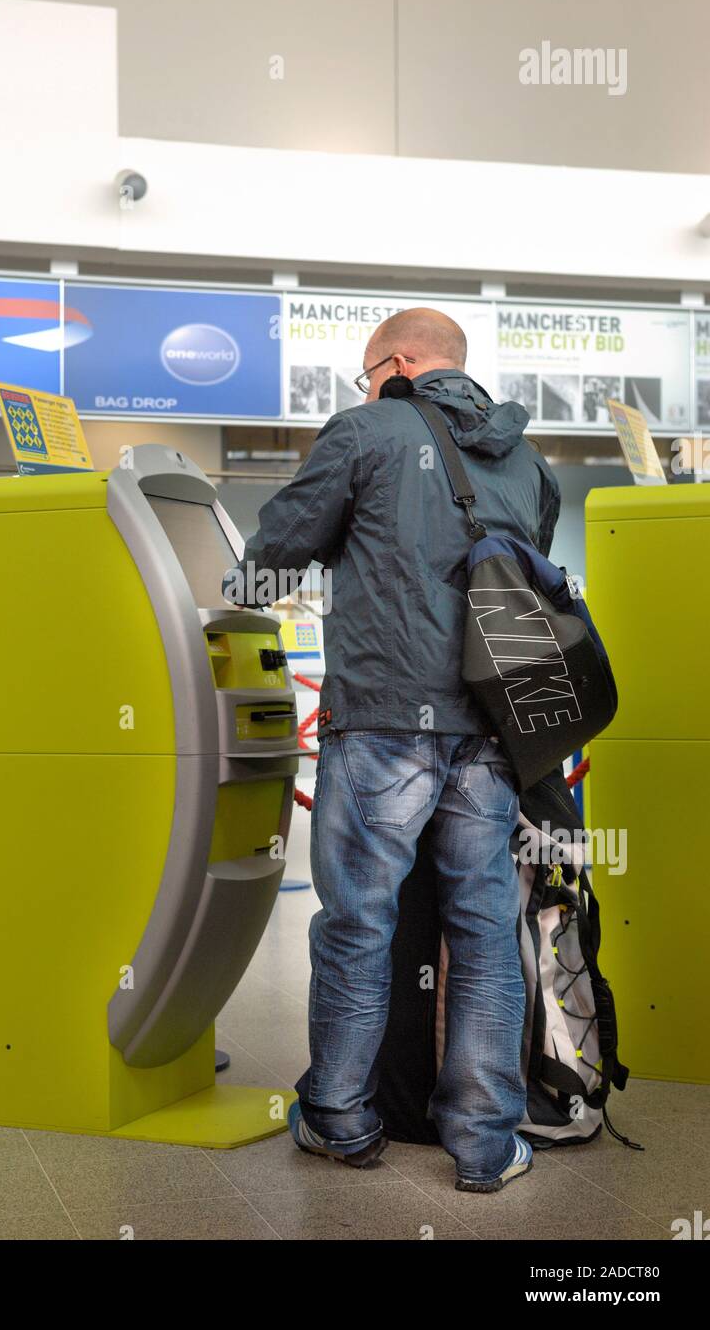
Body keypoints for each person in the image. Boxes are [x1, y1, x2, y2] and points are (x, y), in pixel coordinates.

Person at [223, 307, 560, 1193]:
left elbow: (275, 555)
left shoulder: (364, 430)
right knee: (485, 934)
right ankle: (485, 1146)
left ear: (397, 364)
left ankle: (339, 1117)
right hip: (491, 734)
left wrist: (225, 597)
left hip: (380, 724)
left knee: (356, 924)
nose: (362, 387)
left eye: (365, 373)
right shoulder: (526, 461)